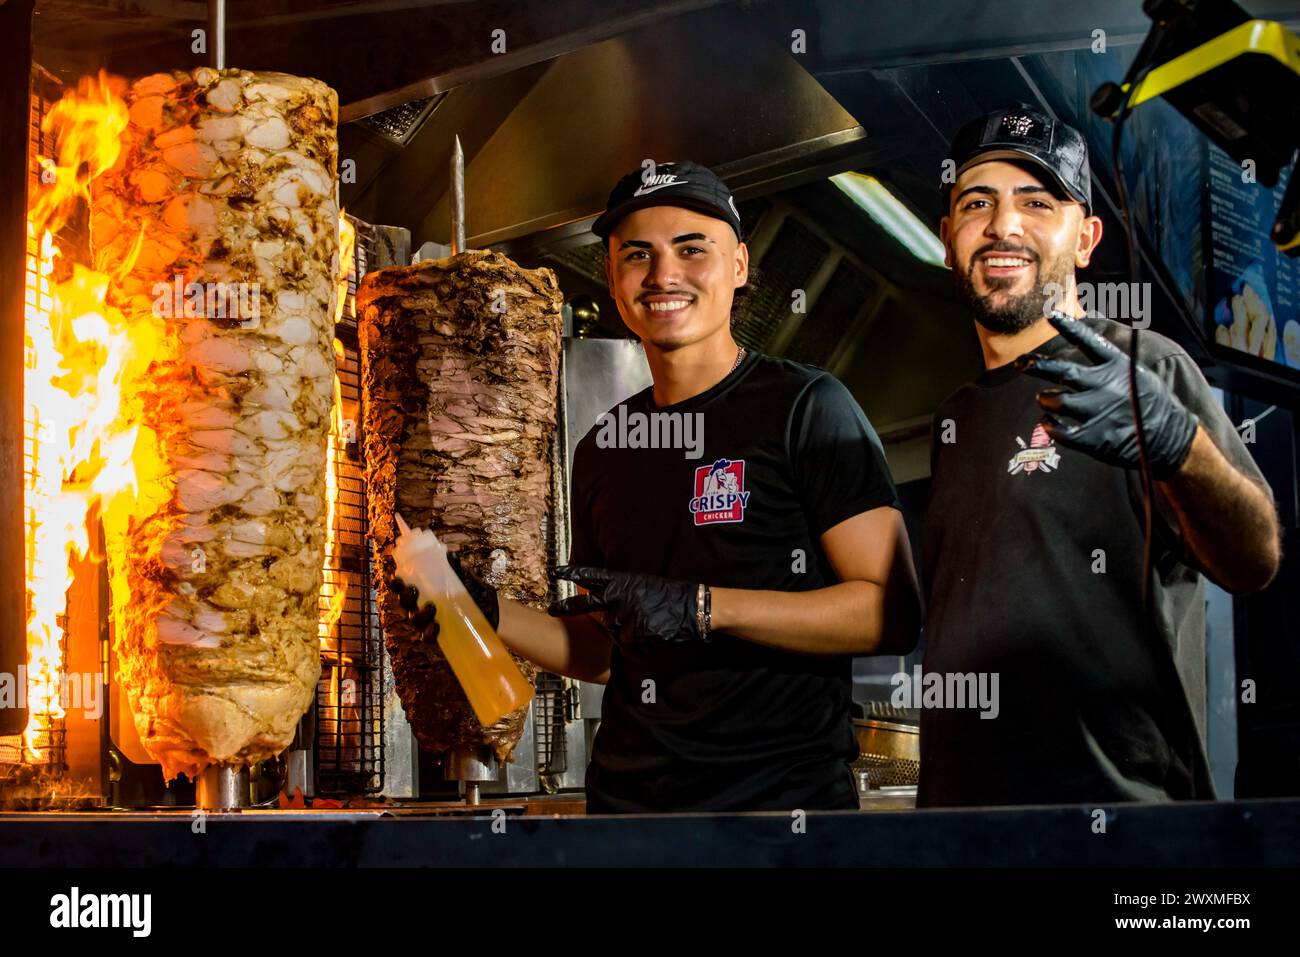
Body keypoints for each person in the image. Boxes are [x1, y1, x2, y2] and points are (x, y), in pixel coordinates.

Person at [399, 160, 921, 813]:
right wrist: (486, 611)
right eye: (637, 254)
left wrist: (703, 606)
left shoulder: (809, 407)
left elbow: (890, 611)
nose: (663, 274)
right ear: (615, 282)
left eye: (690, 249)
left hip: (779, 818)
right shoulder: (604, 449)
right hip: (627, 817)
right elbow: (605, 648)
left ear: (737, 265)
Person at [919, 106, 1281, 806]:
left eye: (1037, 202)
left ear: (1085, 238)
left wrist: (1175, 441)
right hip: (961, 824)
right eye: (977, 203)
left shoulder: (1148, 366)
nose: (1004, 225)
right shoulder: (955, 417)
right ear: (947, 239)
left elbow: (1255, 556)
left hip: (1119, 819)